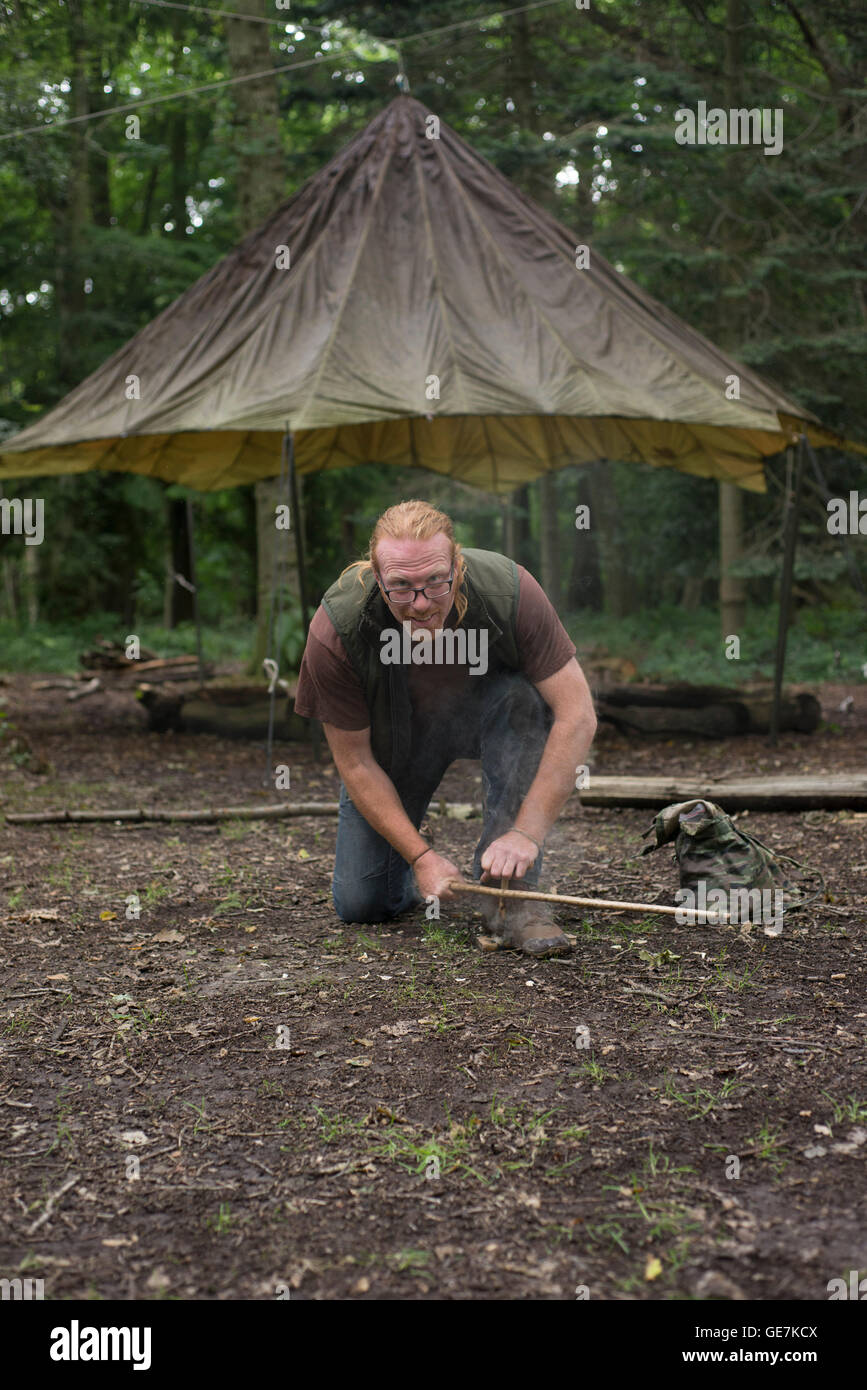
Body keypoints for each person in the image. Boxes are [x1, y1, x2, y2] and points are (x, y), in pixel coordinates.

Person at [293, 500, 597, 957]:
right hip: (400, 740)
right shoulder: (338, 628)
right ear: (377, 578)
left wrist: (526, 833)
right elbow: (354, 762)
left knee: (523, 700)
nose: (421, 604)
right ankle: (414, 849)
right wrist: (420, 857)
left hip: (497, 724)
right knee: (362, 902)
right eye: (401, 587)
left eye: (436, 581)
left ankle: (510, 897)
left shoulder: (509, 591)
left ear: (457, 564)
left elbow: (578, 714)